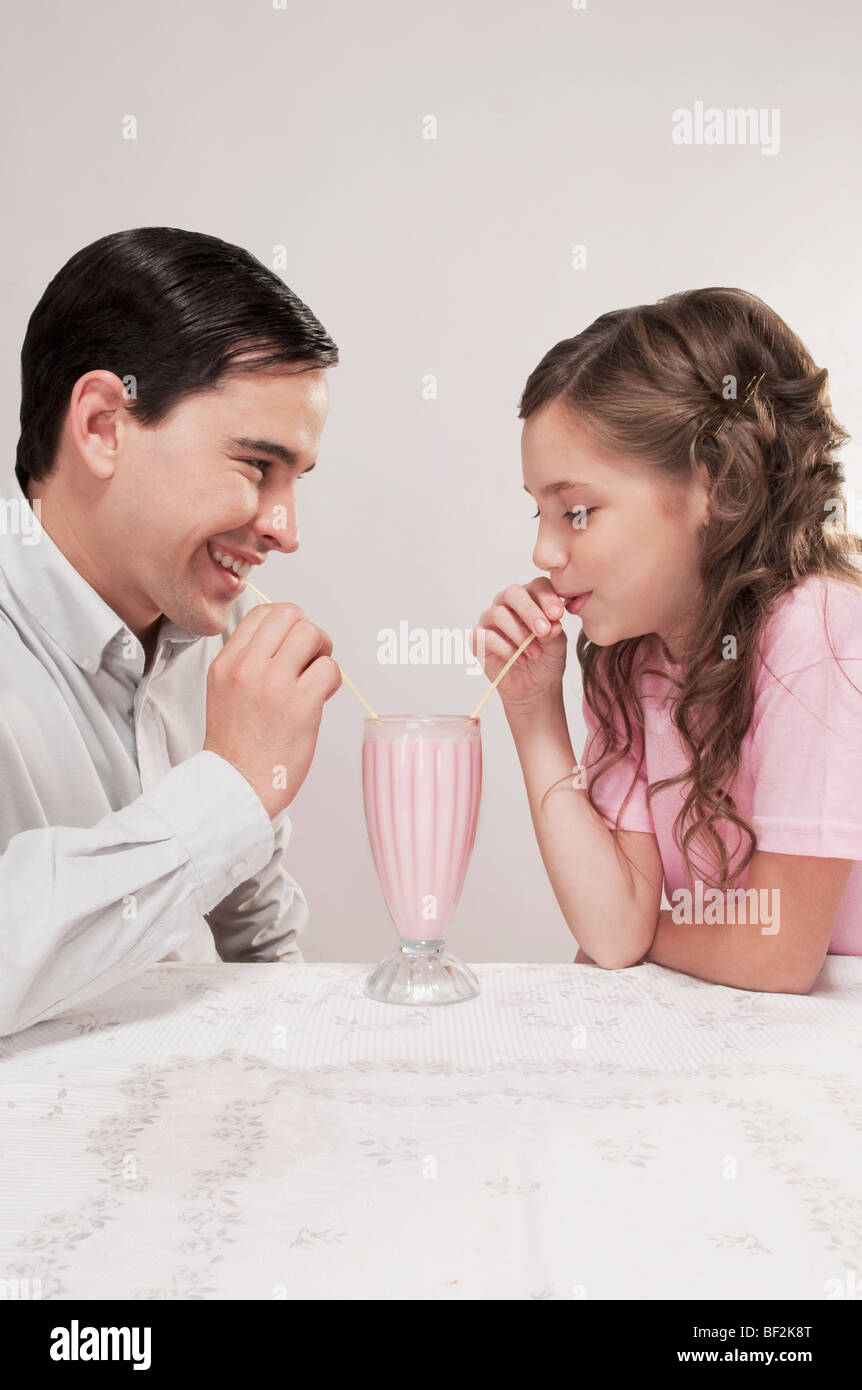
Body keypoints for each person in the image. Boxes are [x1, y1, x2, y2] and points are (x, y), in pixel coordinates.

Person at [0, 227, 342, 1037]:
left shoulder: (220, 632)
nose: (287, 531)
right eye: (258, 466)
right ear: (103, 426)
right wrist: (230, 791)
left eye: (296, 479)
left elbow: (259, 933)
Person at [471, 287, 862, 993]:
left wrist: (643, 935)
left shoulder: (820, 630)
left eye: (576, 511)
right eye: (538, 512)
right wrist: (532, 714)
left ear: (712, 483)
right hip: (727, 1032)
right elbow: (612, 926)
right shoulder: (630, 656)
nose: (542, 551)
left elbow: (778, 954)